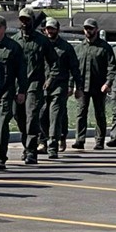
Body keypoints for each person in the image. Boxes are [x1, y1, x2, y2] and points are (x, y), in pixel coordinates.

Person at [12, 7, 52, 165]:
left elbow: (54, 62)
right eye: (21, 20)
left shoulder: (42, 41)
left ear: (32, 21)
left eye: (27, 20)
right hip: (17, 85)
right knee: (18, 116)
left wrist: (49, 79)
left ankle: (31, 151)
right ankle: (26, 145)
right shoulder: (14, 40)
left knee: (31, 118)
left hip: (35, 84)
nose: (24, 23)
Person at [0, 15, 27, 168]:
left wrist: (21, 90)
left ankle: (0, 157)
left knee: (2, 123)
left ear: (4, 28)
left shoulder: (13, 47)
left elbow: (21, 71)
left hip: (6, 91)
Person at [39, 17, 80, 159]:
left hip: (59, 87)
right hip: (42, 87)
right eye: (48, 29)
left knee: (55, 116)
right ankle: (43, 141)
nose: (50, 31)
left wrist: (75, 86)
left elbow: (74, 68)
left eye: (52, 29)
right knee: (41, 115)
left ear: (57, 30)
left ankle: (53, 145)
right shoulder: (41, 45)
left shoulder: (66, 47)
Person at [72, 18, 115, 150]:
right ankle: (80, 140)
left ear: (96, 30)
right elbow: (73, 68)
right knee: (81, 113)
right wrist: (73, 85)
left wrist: (108, 83)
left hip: (99, 86)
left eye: (90, 28)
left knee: (99, 114)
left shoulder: (105, 47)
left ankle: (99, 141)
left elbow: (112, 67)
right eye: (86, 28)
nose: (88, 31)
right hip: (82, 86)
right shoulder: (79, 48)